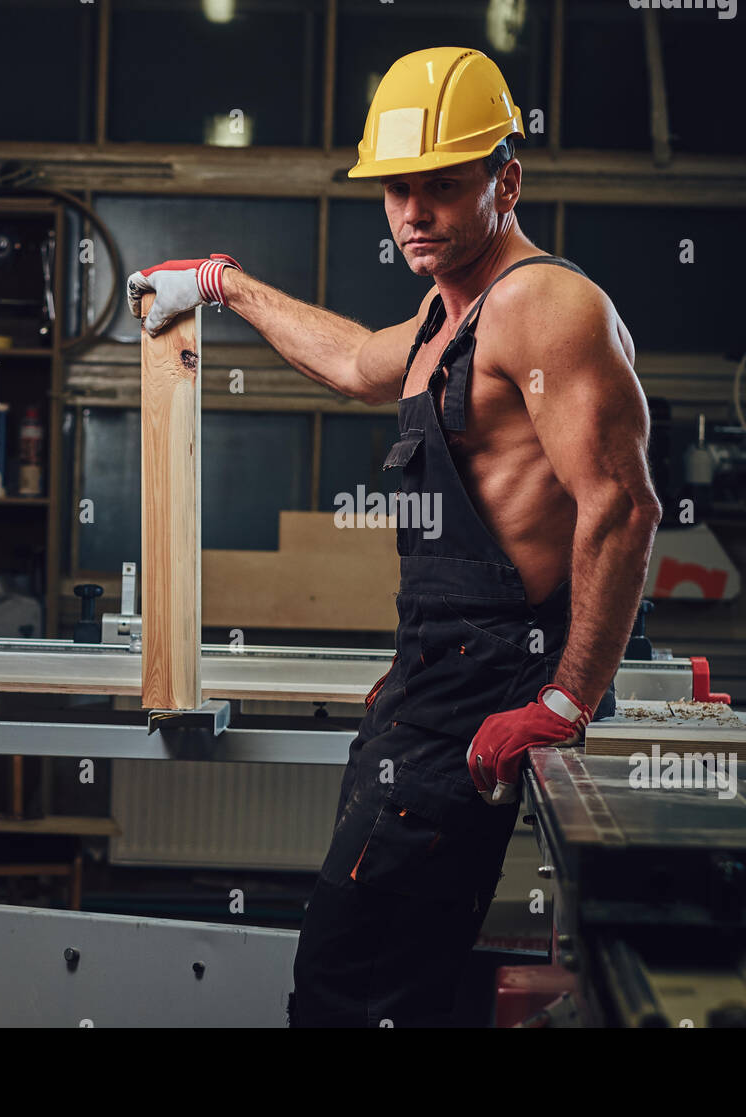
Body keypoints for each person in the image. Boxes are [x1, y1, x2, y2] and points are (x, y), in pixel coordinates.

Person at [128, 46, 660, 1027]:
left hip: (481, 698)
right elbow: (360, 363)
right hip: (431, 686)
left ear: (505, 179)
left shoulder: (544, 305)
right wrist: (221, 283)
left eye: (442, 188)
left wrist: (564, 698)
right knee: (381, 976)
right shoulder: (444, 311)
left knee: (353, 987)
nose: (414, 213)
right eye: (397, 190)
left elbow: (622, 506)